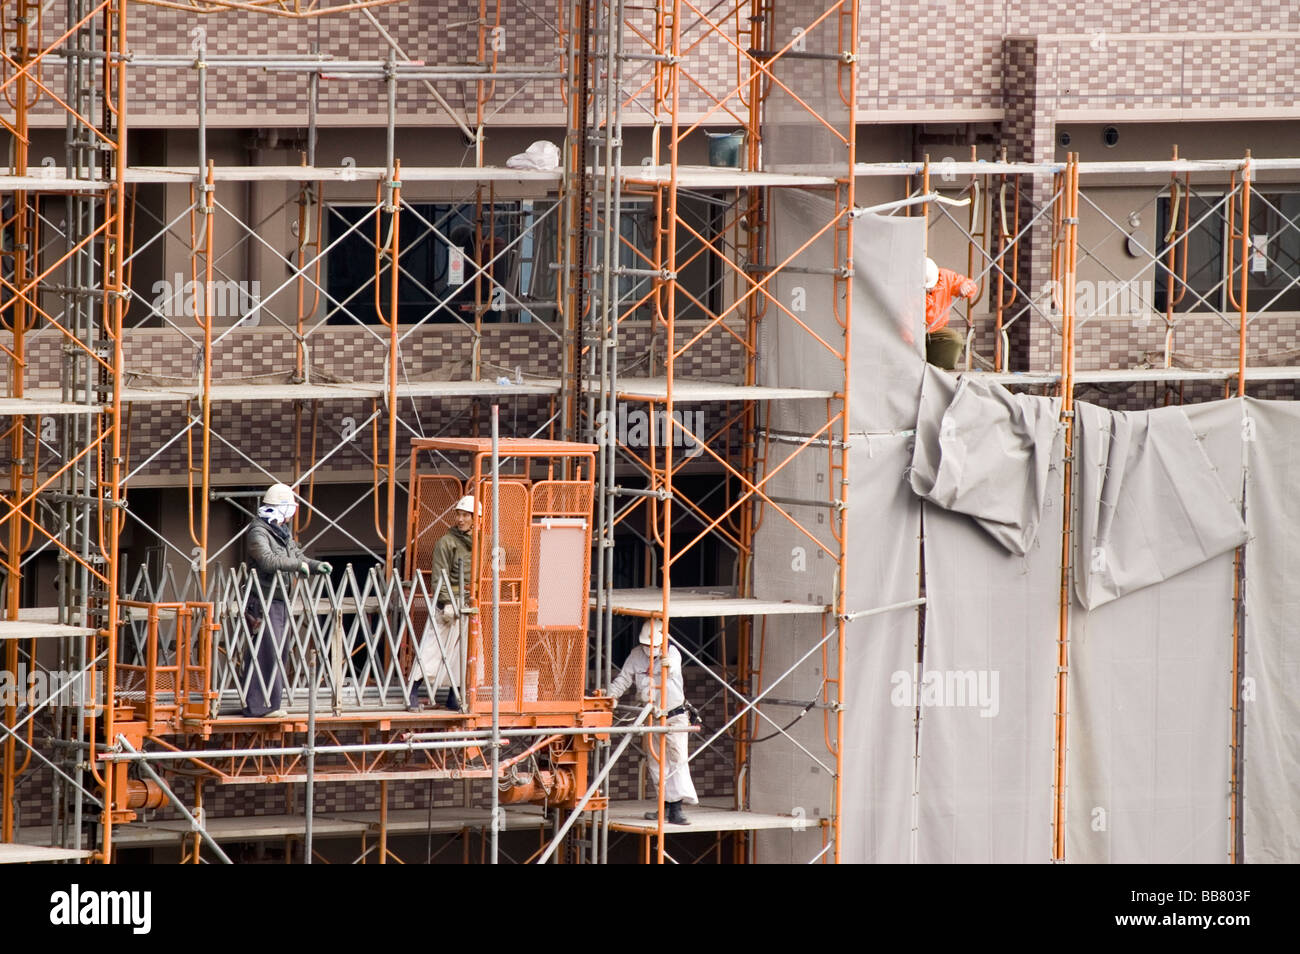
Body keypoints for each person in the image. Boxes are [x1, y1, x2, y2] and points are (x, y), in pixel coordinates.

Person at [242, 482, 330, 718]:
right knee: (265, 651)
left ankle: (270, 703)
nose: (292, 514)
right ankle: (261, 707)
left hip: (279, 600)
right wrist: (298, 565)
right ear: (281, 508)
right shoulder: (258, 532)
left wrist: (313, 565)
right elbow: (269, 561)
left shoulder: (280, 533)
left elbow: (296, 556)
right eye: (290, 508)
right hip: (263, 600)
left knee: (277, 651)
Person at [606, 619, 698, 825]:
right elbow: (624, 679)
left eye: (654, 646)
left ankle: (676, 808)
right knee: (656, 763)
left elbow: (673, 667)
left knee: (677, 759)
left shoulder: (672, 653)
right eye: (647, 645)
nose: (650, 649)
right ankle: (664, 806)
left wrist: (668, 665)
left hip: (674, 715)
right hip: (652, 715)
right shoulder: (636, 655)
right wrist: (611, 696)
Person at [409, 494, 477, 712]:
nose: (461, 519)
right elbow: (439, 576)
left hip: (469, 602)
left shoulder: (481, 542)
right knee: (433, 648)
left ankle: (452, 696)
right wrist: (446, 602)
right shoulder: (446, 542)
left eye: (466, 515)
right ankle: (413, 691)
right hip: (449, 603)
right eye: (459, 514)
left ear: (476, 518)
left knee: (462, 654)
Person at [924, 257, 979, 370]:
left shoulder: (945, 277)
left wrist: (964, 287)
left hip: (936, 328)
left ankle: (940, 371)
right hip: (913, 329)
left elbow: (970, 285)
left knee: (954, 340)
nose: (930, 290)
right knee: (914, 349)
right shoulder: (909, 285)